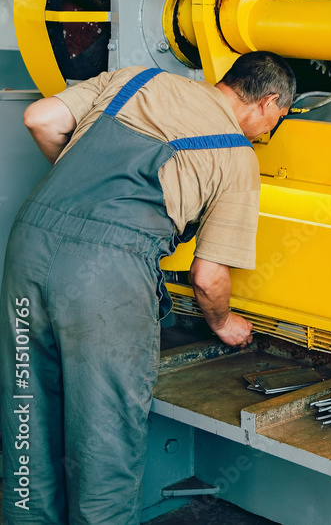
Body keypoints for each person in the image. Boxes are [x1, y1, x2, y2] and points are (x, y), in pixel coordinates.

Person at [0, 51, 295, 523]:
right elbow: (208, 275)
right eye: (275, 122)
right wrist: (223, 322)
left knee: (26, 402)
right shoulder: (237, 157)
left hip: (29, 242)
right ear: (268, 103)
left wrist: (85, 201)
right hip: (106, 272)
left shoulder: (137, 77)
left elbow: (40, 118)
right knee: (104, 429)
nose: (266, 134)